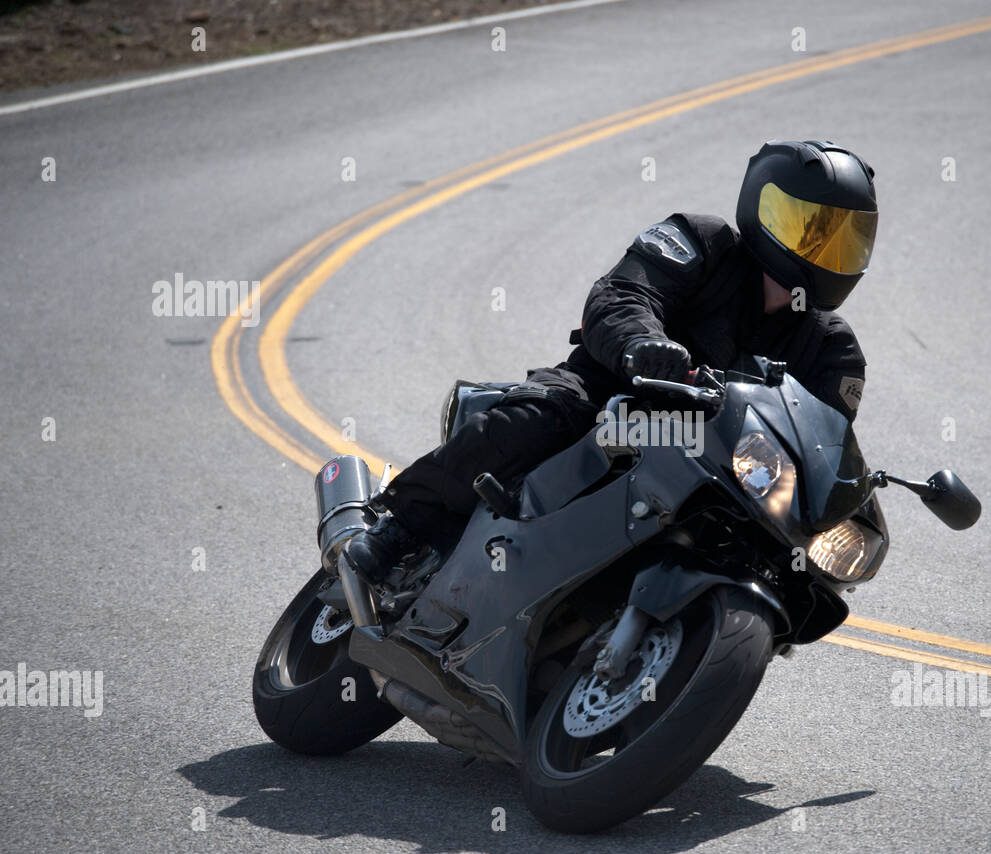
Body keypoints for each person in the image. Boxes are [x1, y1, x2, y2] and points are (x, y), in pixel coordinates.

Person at [344, 139, 879, 586]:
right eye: (808, 226)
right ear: (763, 209)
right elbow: (621, 295)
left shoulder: (835, 351)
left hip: (719, 465)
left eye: (840, 240)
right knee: (541, 417)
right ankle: (401, 529)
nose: (822, 249)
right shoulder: (704, 241)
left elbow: (820, 436)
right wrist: (642, 343)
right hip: (612, 397)